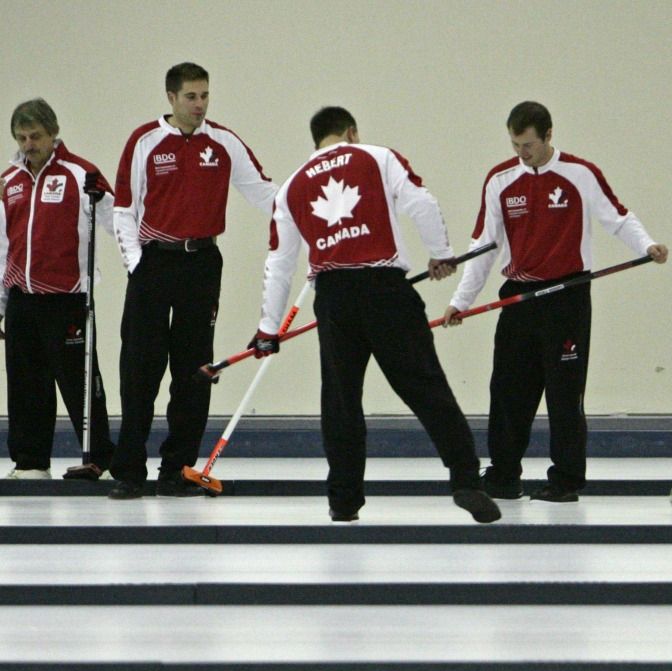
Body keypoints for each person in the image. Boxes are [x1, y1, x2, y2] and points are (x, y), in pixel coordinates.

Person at [251, 106, 500, 523]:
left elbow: (279, 263)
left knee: (341, 402)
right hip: (385, 290)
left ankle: (343, 501)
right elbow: (422, 203)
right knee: (427, 388)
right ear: (351, 131)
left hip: (333, 298)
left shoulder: (292, 186)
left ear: (316, 139)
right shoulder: (378, 156)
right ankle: (466, 480)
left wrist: (268, 329)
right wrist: (440, 253)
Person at [442, 101, 669, 502]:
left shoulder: (580, 173)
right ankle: (504, 476)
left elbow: (617, 218)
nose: (522, 153)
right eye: (515, 145)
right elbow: (483, 246)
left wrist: (646, 245)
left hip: (567, 298)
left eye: (528, 145)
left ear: (548, 135)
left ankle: (565, 480)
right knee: (508, 392)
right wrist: (460, 301)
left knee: (564, 395)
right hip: (518, 298)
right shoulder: (500, 180)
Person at [107, 62, 278, 499]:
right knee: (140, 368)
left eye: (204, 96)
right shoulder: (145, 141)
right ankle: (129, 471)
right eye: (191, 97)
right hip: (152, 264)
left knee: (194, 370)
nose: (200, 105)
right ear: (171, 97)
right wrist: (135, 264)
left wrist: (312, 213)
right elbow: (124, 209)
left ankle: (177, 469)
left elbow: (265, 193)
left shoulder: (223, 143)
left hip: (201, 264)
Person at [0, 98, 116, 480]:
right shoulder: (8, 182)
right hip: (21, 299)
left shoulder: (81, 174)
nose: (28, 144)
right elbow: (3, 246)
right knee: (25, 383)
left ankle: (99, 458)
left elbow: (118, 222)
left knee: (79, 381)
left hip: (66, 298)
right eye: (21, 137)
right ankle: (31, 462)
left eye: (35, 136)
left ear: (53, 133)